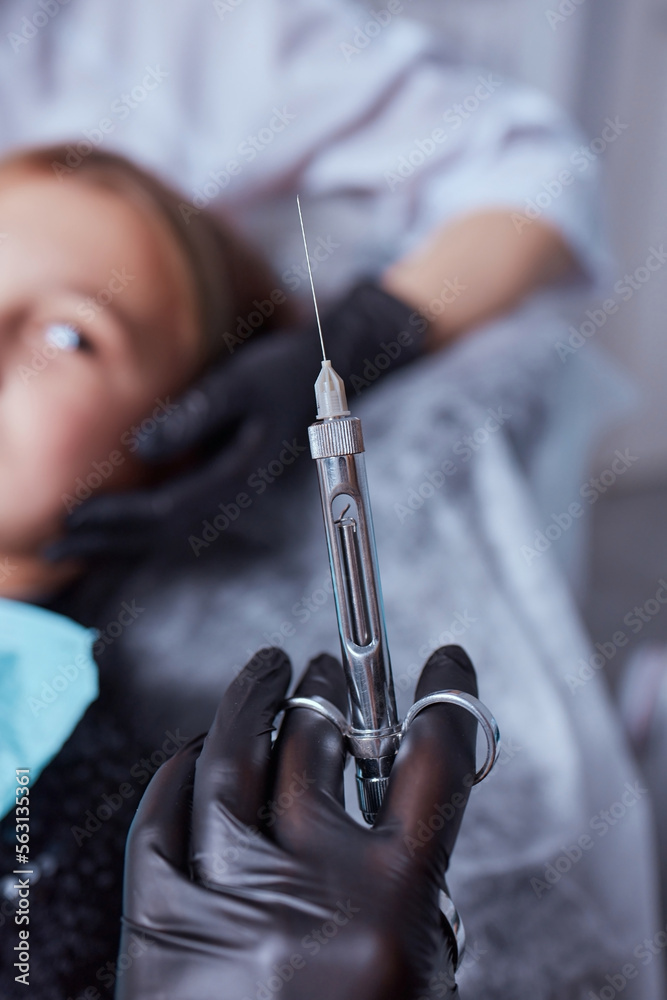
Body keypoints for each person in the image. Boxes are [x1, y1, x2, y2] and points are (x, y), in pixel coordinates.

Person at [0, 1, 661, 997]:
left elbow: (529, 176)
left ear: (176, 446)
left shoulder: (101, 828)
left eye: (71, 335)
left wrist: (373, 331)